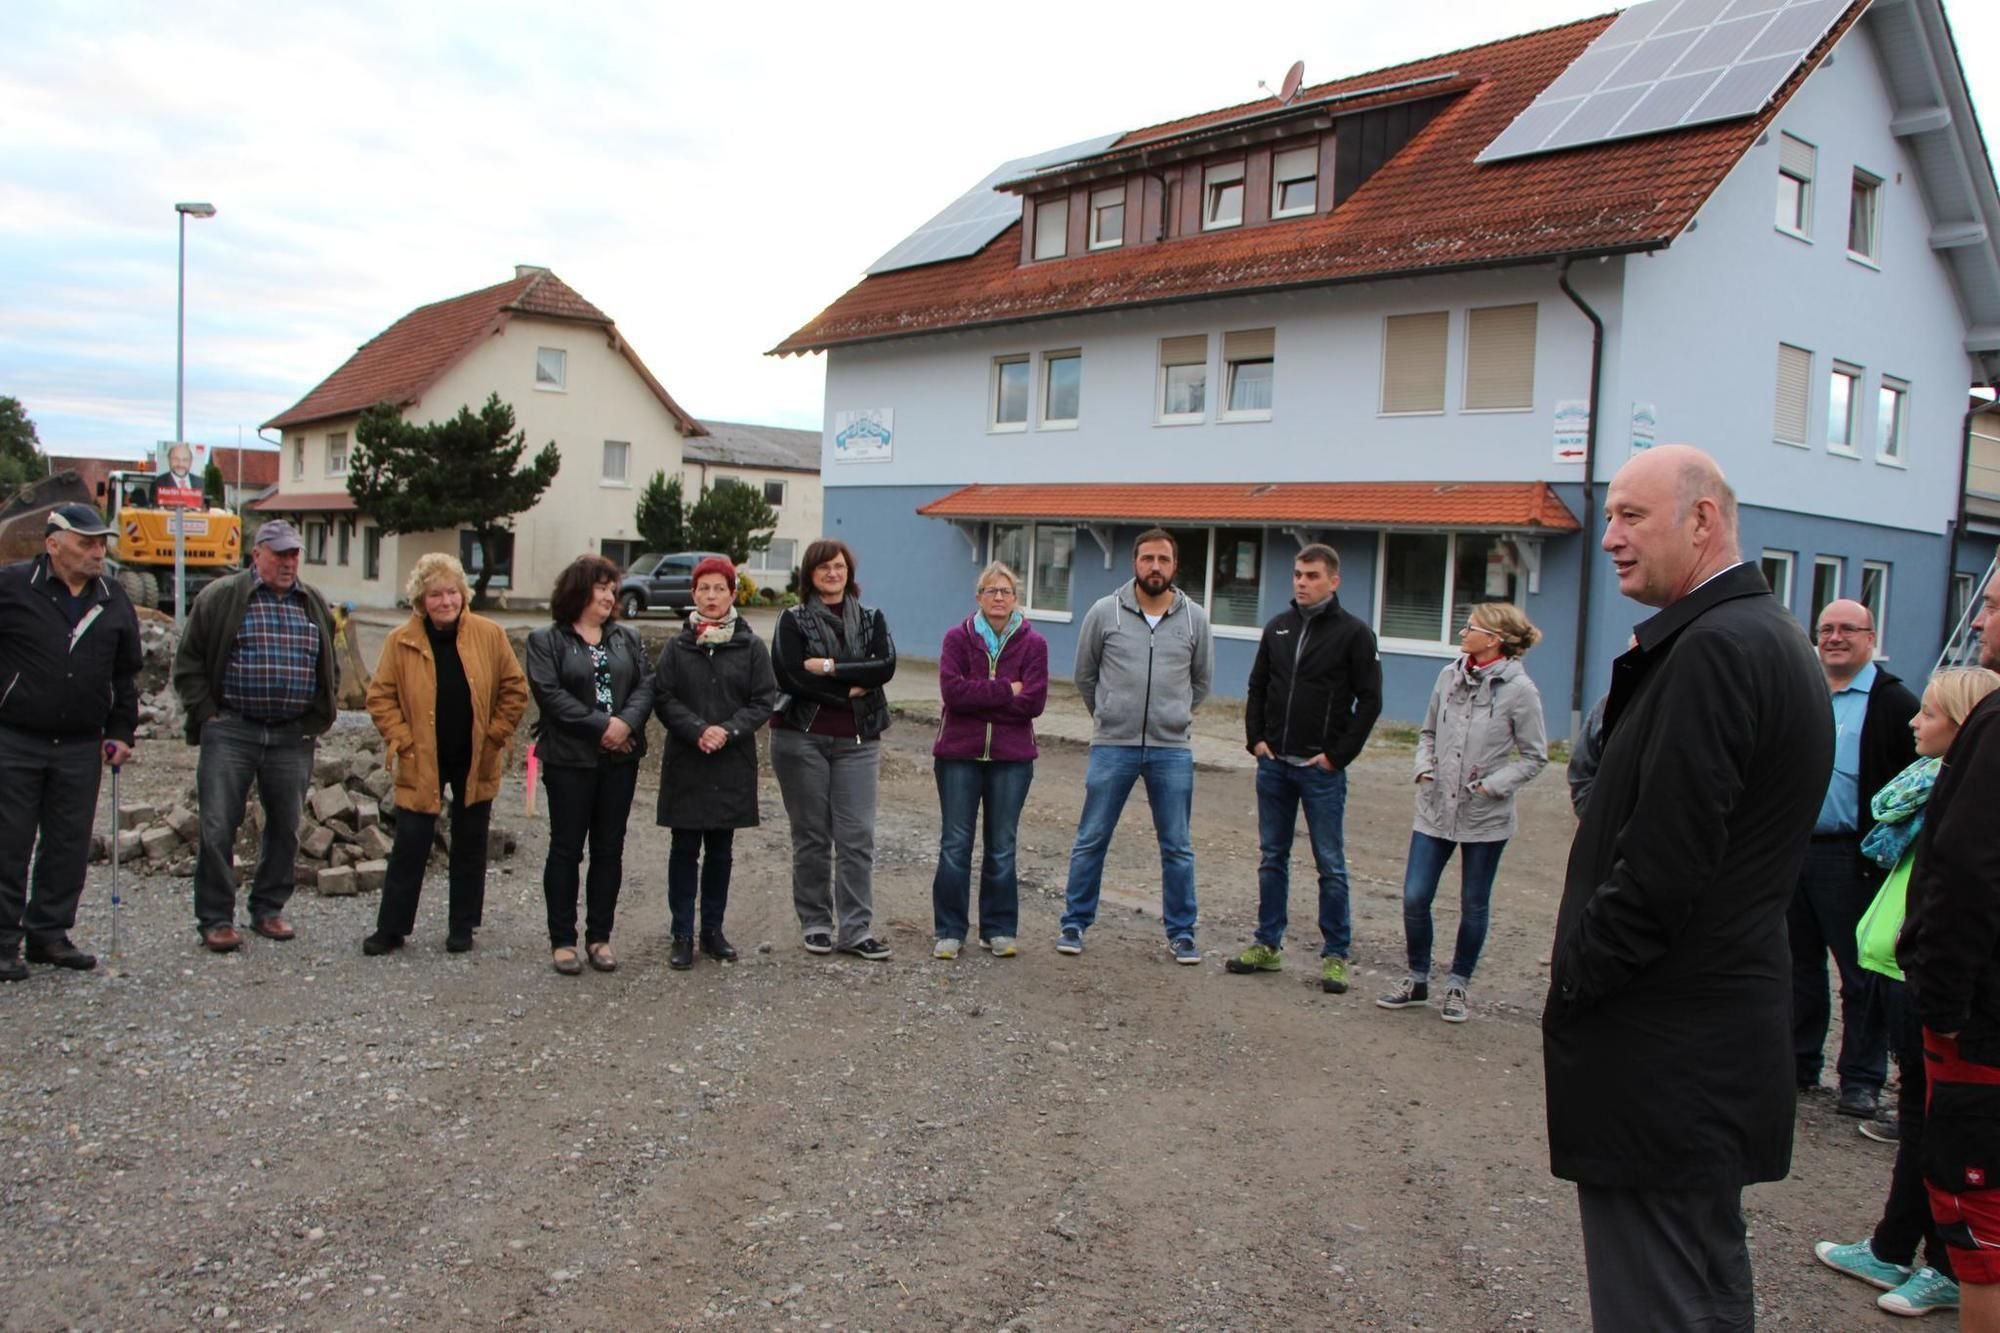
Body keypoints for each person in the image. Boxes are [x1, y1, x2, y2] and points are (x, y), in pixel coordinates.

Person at [1543, 445, 1831, 1329]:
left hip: (1666, 1058)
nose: (1611, 538)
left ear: (1703, 520)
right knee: (1701, 1291)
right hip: (1697, 1061)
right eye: (1612, 516)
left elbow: (1662, 870)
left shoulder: (1716, 649)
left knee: (1662, 1301)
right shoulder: (1763, 638)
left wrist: (1579, 977)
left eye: (1633, 516)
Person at [1814, 665, 2000, 1320]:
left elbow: (1964, 887)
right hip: (1908, 967)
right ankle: (1897, 1244)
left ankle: (1945, 1264)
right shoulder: (1924, 788)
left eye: (1929, 713)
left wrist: (1943, 995)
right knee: (1921, 1115)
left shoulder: (1967, 783)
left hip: (1946, 992)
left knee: (1954, 1140)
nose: (1913, 723)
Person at [1896, 572, 2000, 1333]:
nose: (1982, 617)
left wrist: (1942, 1003)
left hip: (1981, 1027)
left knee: (1979, 1228)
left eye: (1994, 604)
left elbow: (1964, 870)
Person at [174, 518, 339, 952]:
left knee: (285, 826)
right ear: (257, 555)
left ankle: (268, 908)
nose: (289, 562)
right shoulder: (222, 597)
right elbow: (188, 661)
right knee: (217, 825)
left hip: (291, 735)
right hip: (232, 730)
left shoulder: (313, 602)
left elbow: (328, 664)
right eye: (280, 553)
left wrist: (316, 717)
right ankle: (215, 918)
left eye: (294, 554)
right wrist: (207, 714)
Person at [1377, 602, 1547, 1023]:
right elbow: (1428, 732)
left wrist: (1494, 785)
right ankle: (1416, 978)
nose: (1462, 631)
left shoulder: (1520, 691)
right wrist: (1422, 767)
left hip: (1484, 816)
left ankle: (1458, 984)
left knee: (1473, 903)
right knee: (1416, 896)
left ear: (1494, 639)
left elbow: (1534, 756)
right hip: (1434, 808)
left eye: (1470, 627)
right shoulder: (1448, 676)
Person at [1226, 543, 1380, 992]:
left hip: (1320, 770)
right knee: (1272, 858)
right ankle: (1267, 944)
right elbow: (1257, 686)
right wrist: (1256, 740)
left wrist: (1337, 756)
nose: (1302, 582)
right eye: (1297, 574)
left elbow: (1370, 701)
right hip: (1275, 765)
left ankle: (1335, 955)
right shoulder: (1278, 628)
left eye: (1312, 576)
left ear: (1333, 581)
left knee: (1329, 863)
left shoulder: (1354, 634)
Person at [1058, 528, 1215, 963]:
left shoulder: (1194, 619)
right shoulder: (1104, 613)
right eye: (1147, 559)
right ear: (1135, 563)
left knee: (1178, 845)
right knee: (1092, 838)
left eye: (1163, 560)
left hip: (1171, 749)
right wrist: (1109, 715)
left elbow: (1201, 682)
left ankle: (1182, 932)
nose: (1155, 567)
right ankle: (1074, 923)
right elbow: (1085, 676)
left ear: (1174, 566)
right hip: (1114, 745)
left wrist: (1175, 716)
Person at [361, 553, 528, 957]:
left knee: (470, 843)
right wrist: (401, 738)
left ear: (463, 594)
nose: (446, 601)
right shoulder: (400, 641)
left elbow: (514, 689)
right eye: (435, 594)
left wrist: (496, 734)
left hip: (475, 755)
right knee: (411, 843)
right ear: (421, 599)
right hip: (423, 757)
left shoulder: (489, 634)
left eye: (452, 592)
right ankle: (392, 928)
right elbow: (379, 696)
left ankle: (462, 926)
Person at [0, 504, 141, 978]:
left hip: (82, 744)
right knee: (9, 842)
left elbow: (126, 674)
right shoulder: (13, 587)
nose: (96, 551)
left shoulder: (113, 598)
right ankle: (2, 941)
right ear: (53, 543)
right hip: (16, 739)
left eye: (101, 542)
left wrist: (122, 730)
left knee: (67, 844)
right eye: (86, 542)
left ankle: (50, 934)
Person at [1791, 597, 1919, 1119]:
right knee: (1797, 965)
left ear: (1870, 638)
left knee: (1860, 971)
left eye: (1848, 629)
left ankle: (1861, 1079)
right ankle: (1798, 1062)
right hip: (1795, 849)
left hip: (1854, 855)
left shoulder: (1893, 703)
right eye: (1825, 628)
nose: (1835, 637)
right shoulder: (1802, 691)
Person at [770, 538, 898, 960]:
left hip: (859, 742)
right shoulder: (792, 620)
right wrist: (851, 691)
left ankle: (857, 930)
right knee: (811, 835)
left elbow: (885, 667)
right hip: (800, 738)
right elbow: (791, 676)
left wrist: (829, 667)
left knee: (857, 836)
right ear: (810, 574)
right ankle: (817, 924)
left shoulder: (872, 618)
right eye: (823, 567)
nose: (832, 573)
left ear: (849, 572)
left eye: (839, 566)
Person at [525, 555, 653, 976]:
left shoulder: (627, 638)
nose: (609, 595)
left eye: (612, 588)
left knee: (609, 849)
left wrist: (625, 724)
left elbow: (645, 686)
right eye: (601, 587)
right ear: (578, 590)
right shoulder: (546, 640)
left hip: (620, 760)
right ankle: (562, 940)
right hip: (568, 760)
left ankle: (600, 937)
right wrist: (602, 726)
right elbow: (551, 695)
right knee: (565, 849)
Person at [650, 556, 777, 971]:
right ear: (693, 594)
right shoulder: (677, 646)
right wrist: (697, 729)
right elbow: (664, 696)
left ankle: (713, 930)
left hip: (731, 762)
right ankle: (682, 934)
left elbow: (763, 699)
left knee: (721, 851)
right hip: (688, 760)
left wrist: (729, 730)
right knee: (684, 849)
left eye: (719, 588)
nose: (711, 596)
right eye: (703, 588)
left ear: (732, 594)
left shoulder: (751, 646)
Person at [930, 561, 1049, 960]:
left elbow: (1032, 703)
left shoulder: (1034, 645)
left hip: (1012, 759)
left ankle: (998, 930)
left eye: (1006, 592)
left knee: (1002, 847)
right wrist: (1005, 691)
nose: (999, 598)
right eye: (991, 591)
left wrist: (981, 696)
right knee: (955, 844)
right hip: (958, 756)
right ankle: (949, 930)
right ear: (978, 597)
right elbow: (953, 695)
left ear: (1016, 599)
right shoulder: (956, 640)